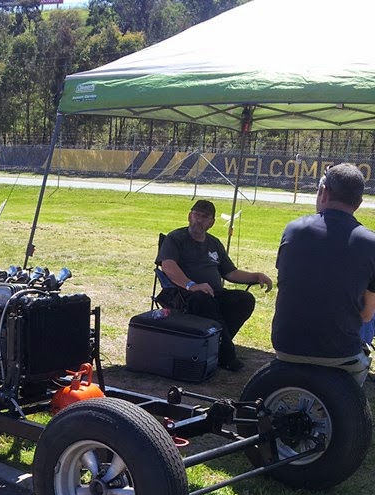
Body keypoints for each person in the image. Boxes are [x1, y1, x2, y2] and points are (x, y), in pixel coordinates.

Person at [272, 162, 375, 385]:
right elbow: (366, 315)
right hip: (340, 354)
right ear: (358, 203)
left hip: (285, 345)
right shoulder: (371, 242)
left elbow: (286, 280)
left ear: (323, 192)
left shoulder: (293, 229)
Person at [158, 199, 273, 372]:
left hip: (213, 293)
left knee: (244, 299)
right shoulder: (176, 238)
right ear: (189, 216)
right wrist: (191, 285)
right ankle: (226, 354)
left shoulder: (214, 243)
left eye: (205, 217)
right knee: (203, 300)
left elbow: (230, 273)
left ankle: (215, 344)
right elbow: (168, 266)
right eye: (196, 215)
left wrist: (256, 276)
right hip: (184, 295)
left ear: (211, 222)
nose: (199, 220)